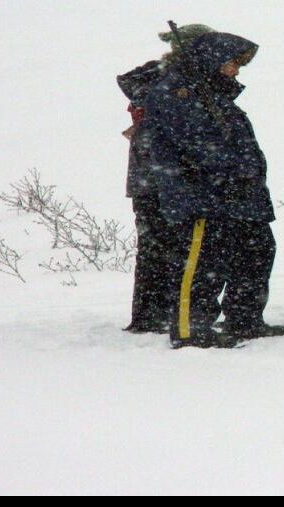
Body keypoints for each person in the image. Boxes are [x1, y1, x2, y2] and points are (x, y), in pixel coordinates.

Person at [145, 31, 284, 348]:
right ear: (209, 60)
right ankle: (189, 329)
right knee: (201, 263)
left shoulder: (213, 94)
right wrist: (231, 171)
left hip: (237, 196)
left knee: (256, 250)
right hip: (202, 196)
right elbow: (196, 143)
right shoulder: (175, 93)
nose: (235, 70)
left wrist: (244, 176)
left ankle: (245, 319)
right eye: (231, 63)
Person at [118, 24, 216, 334]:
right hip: (163, 179)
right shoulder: (167, 81)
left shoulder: (156, 79)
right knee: (168, 248)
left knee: (158, 248)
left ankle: (154, 315)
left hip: (152, 178)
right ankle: (158, 316)